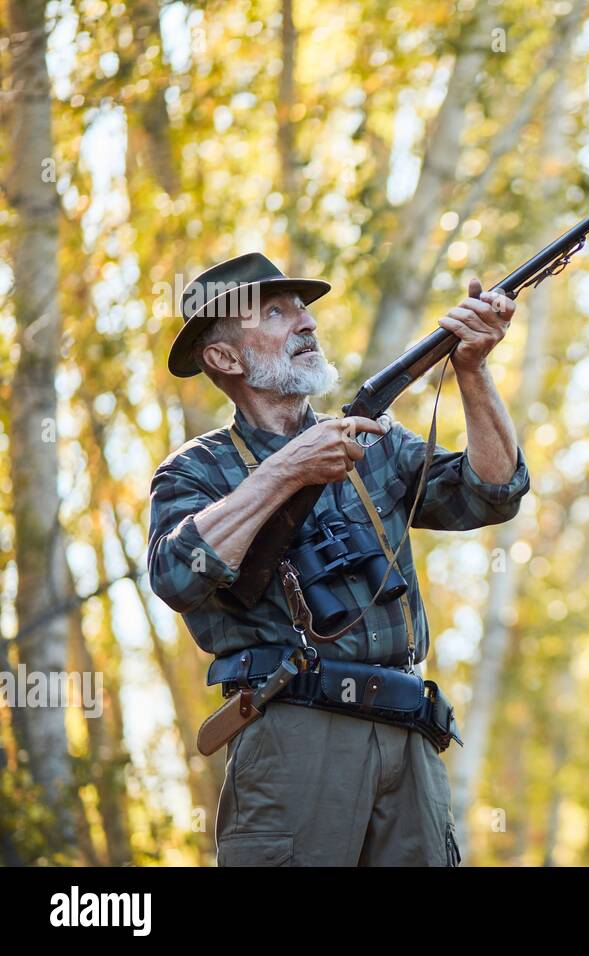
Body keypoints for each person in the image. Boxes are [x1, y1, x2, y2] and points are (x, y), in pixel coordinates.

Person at [147, 252, 529, 865]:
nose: (306, 323)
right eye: (276, 313)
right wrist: (285, 472)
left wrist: (473, 370)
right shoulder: (195, 470)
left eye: (303, 309)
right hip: (292, 732)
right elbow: (176, 575)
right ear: (224, 359)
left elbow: (492, 493)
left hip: (409, 732)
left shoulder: (373, 440)